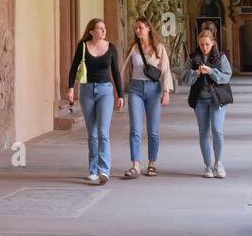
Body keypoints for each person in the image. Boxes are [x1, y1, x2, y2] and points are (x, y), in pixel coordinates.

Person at [66, 18, 124, 184]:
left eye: (104, 28)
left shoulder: (110, 48)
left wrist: (120, 95)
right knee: (92, 133)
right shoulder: (83, 47)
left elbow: (116, 72)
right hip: (87, 91)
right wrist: (71, 88)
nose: (103, 31)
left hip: (106, 91)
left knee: (103, 132)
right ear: (91, 31)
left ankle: (104, 170)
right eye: (100, 28)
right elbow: (73, 67)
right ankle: (93, 170)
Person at [120, 17, 174, 178]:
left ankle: (151, 164)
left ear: (148, 28)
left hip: (154, 90)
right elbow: (125, 69)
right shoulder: (133, 48)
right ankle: (135, 165)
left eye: (140, 28)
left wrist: (166, 92)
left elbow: (165, 71)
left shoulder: (159, 48)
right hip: (135, 88)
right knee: (135, 129)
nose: (137, 31)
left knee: (153, 130)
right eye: (135, 28)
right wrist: (118, 90)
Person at [186, 26, 233, 178]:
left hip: (217, 99)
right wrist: (196, 72)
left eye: (207, 44)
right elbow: (185, 79)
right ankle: (208, 165)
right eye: (201, 44)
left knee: (217, 130)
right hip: (200, 100)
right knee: (203, 132)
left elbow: (227, 76)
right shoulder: (193, 58)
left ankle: (219, 163)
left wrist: (212, 72)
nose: (204, 47)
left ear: (213, 43)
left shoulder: (221, 57)